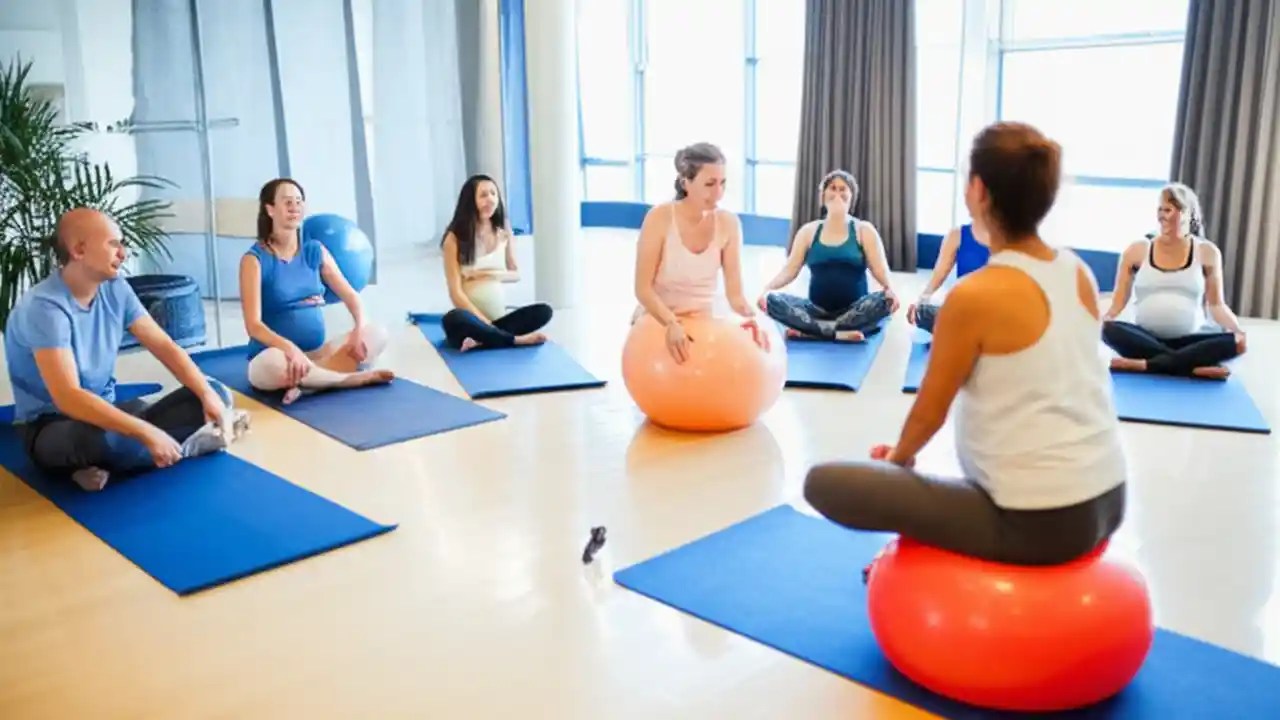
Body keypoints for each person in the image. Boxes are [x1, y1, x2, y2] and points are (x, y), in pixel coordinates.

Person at [804, 122, 1126, 566]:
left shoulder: (975, 295)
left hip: (1039, 520)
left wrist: (898, 460)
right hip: (1110, 497)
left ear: (976, 189)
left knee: (823, 483)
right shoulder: (1078, 272)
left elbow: (929, 414)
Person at [4, 208, 250, 492]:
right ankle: (186, 446)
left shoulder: (115, 288)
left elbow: (164, 345)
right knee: (109, 438)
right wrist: (145, 431)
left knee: (216, 393)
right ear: (79, 249)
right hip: (52, 428)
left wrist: (206, 394)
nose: (123, 253)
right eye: (113, 243)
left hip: (110, 411)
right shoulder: (45, 307)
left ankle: (118, 460)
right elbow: (68, 398)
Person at [239, 178, 393, 404]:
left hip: (319, 354)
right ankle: (346, 379)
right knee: (271, 367)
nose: (294, 207)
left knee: (377, 333)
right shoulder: (253, 260)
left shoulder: (315, 250)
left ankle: (312, 382)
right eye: (287, 202)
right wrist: (290, 349)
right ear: (270, 209)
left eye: (299, 202)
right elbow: (253, 326)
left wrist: (360, 327)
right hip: (277, 356)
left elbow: (351, 296)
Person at [633, 142, 768, 363]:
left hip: (705, 320)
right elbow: (642, 289)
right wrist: (671, 323)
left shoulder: (729, 223)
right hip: (660, 317)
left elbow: (735, 296)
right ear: (686, 182)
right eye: (709, 184)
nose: (718, 193)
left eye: (723, 183)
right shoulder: (659, 218)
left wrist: (752, 318)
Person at [1100, 183, 1246, 379]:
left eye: (1168, 210)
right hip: (1144, 339)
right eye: (1160, 209)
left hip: (1190, 341)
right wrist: (1103, 319)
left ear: (1187, 213)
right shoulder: (1137, 250)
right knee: (1108, 329)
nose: (1162, 216)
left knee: (1237, 342)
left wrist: (1237, 330)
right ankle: (1190, 367)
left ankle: (1146, 365)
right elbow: (1118, 302)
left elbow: (1217, 305)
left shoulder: (1207, 253)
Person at [756, 170, 899, 342]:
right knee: (773, 300)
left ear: (851, 196)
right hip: (816, 311)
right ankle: (837, 332)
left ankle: (813, 331)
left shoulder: (864, 230)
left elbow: (880, 268)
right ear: (823, 196)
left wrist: (890, 289)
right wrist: (766, 290)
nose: (837, 193)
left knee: (884, 301)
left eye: (843, 189)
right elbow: (790, 270)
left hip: (854, 311)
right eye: (832, 188)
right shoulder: (808, 231)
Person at [439, 174, 551, 351]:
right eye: (483, 195)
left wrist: (486, 274)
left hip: (499, 319)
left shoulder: (503, 233)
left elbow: (515, 274)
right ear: (470, 201)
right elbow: (456, 294)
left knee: (544, 311)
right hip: (470, 321)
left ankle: (484, 339)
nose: (490, 200)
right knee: (453, 318)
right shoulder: (453, 239)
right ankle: (513, 340)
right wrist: (483, 323)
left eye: (493, 194)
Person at [907, 223, 990, 334]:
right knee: (920, 313)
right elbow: (939, 274)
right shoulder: (957, 235)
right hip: (964, 313)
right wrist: (921, 300)